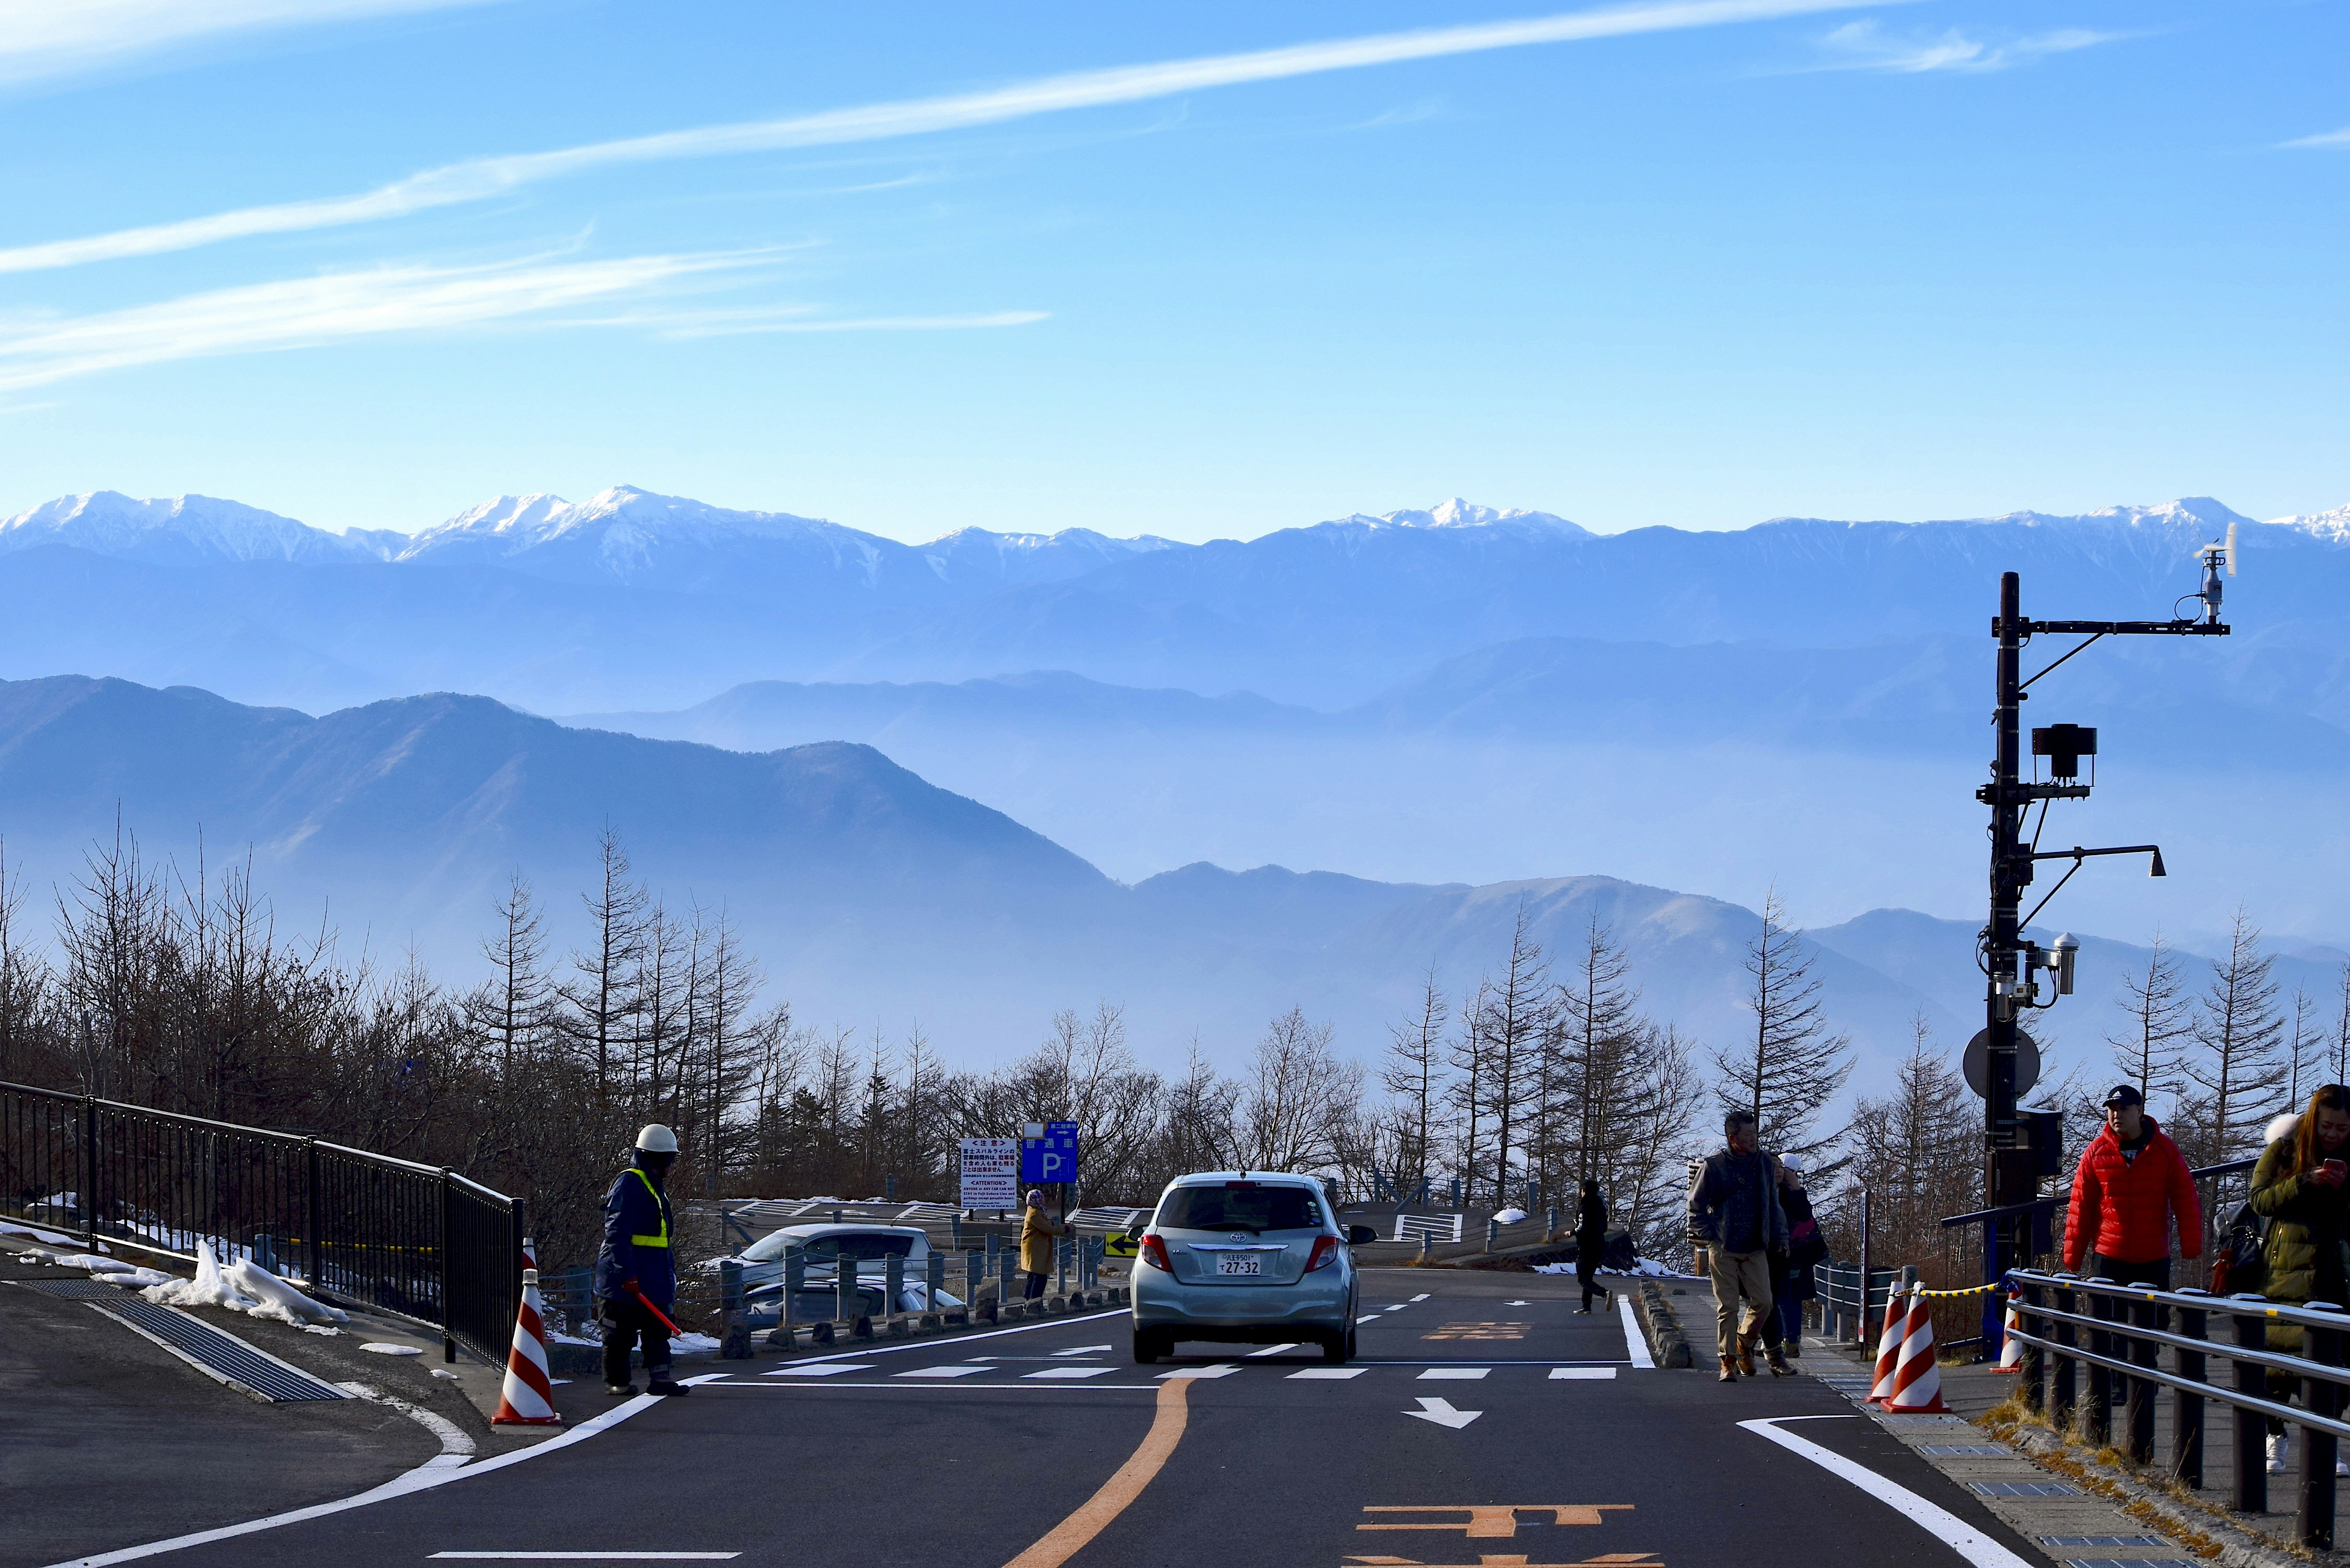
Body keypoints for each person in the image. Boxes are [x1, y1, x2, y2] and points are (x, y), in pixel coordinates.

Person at [2251, 1086, 2350, 1475]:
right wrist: (2305, 1181)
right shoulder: (2286, 1147)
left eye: (2343, 1129)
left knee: (2335, 1366)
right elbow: (2260, 1199)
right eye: (2328, 1126)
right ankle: (2275, 1436)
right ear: (2313, 1120)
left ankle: (2326, 1443)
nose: (2334, 1135)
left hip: (2335, 1272)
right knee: (2278, 1363)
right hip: (2284, 1270)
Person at [2063, 1084, 2202, 1289]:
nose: (2117, 1114)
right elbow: (2080, 1206)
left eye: (2124, 1108)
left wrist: (2191, 1245)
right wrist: (2073, 1257)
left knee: (2152, 1320)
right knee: (2106, 1321)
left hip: (2153, 1258)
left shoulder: (2164, 1150)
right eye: (2112, 1109)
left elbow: (2186, 1199)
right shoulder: (2096, 1152)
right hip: (2109, 1256)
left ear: (2139, 1111)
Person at [1689, 1109, 1789, 1381]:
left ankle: (1743, 1342)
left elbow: (1773, 1204)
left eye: (1755, 1132)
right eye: (1748, 1134)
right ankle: (1727, 1362)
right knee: (1728, 1307)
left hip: (1756, 1246)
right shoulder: (1714, 1166)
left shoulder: (1765, 1164)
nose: (1754, 1138)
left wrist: (1781, 1237)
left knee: (1765, 1303)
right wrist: (1711, 1236)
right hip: (1723, 1246)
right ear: (1733, 1138)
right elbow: (1695, 1206)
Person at [597, 1123, 687, 1397]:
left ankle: (660, 1378)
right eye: (669, 1161)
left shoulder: (653, 1186)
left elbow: (660, 1240)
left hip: (654, 1277)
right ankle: (618, 1382)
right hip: (625, 1279)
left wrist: (667, 1275)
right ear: (656, 1160)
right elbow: (617, 1233)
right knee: (619, 1333)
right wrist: (627, 1273)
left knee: (657, 1330)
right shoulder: (628, 1183)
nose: (671, 1168)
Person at [1772, 1152, 1827, 1356]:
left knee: (1785, 1299)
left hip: (1789, 1254)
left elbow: (1801, 1216)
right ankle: (1787, 1339)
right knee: (1789, 1299)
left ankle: (1787, 1340)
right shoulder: (1793, 1193)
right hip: (1799, 1254)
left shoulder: (1786, 1194)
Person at [1020, 1188, 1068, 1300]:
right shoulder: (1034, 1214)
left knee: (1033, 1275)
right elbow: (1047, 1229)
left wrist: (1050, 1222)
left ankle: (1028, 1301)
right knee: (1040, 1277)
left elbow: (1045, 1224)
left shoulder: (1035, 1210)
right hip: (1035, 1249)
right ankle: (1034, 1301)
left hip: (1036, 1248)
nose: (1043, 1200)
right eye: (1041, 1199)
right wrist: (1065, 1229)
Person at [1574, 1178, 1609, 1313]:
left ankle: (1604, 1293)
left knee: (1583, 1278)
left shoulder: (1584, 1207)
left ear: (1584, 1192)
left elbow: (1581, 1228)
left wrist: (1571, 1232)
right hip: (1599, 1245)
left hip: (1585, 1246)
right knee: (1588, 1277)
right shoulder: (1601, 1207)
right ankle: (1586, 1306)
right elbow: (1604, 1227)